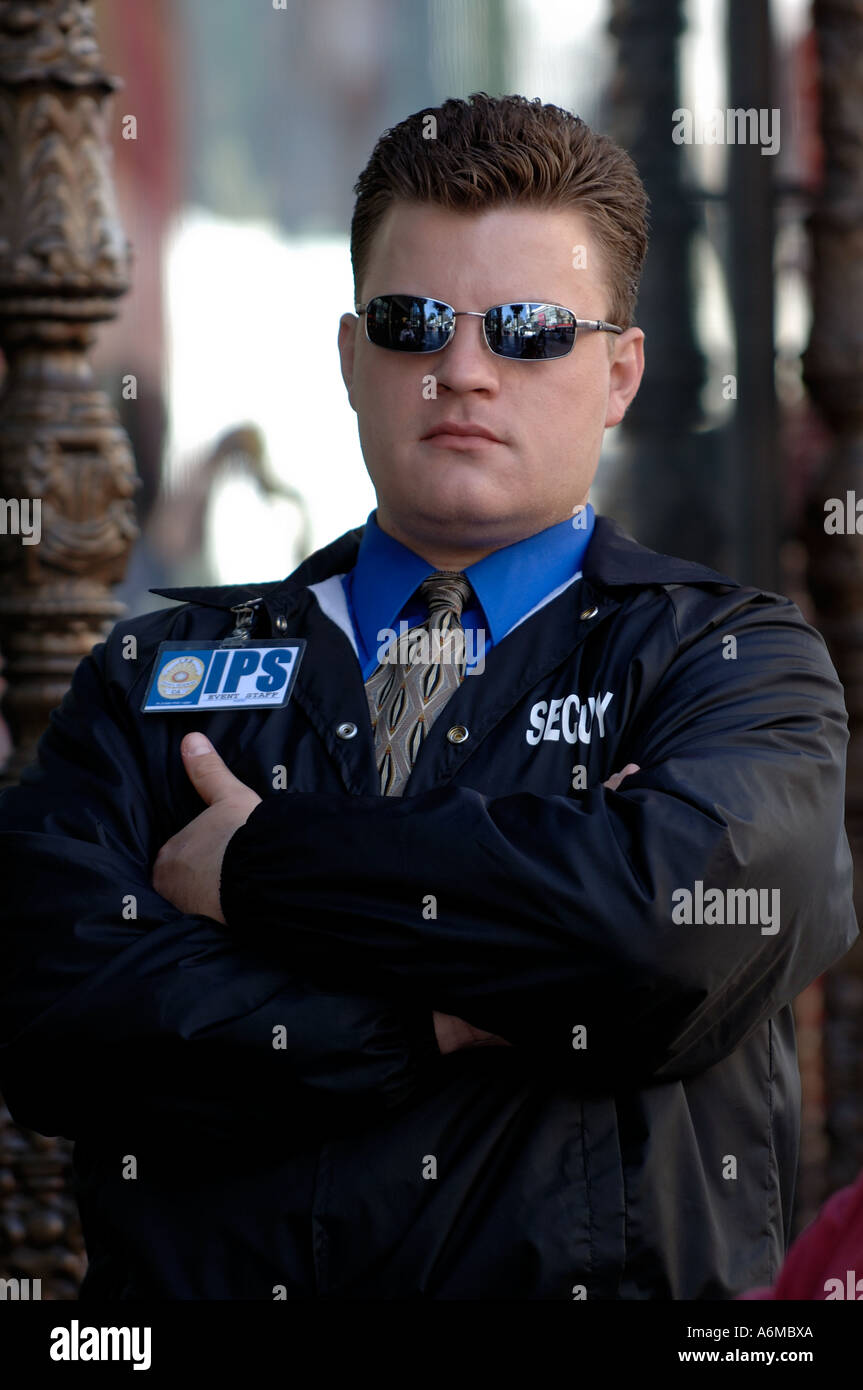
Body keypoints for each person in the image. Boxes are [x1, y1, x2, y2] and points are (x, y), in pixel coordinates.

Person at [0, 93, 858, 1301]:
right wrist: (444, 1015)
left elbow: (662, 932)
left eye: (527, 331)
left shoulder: (726, 664)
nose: (462, 369)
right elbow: (51, 1010)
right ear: (354, 358)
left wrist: (253, 871)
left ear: (618, 372)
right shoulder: (158, 677)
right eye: (412, 324)